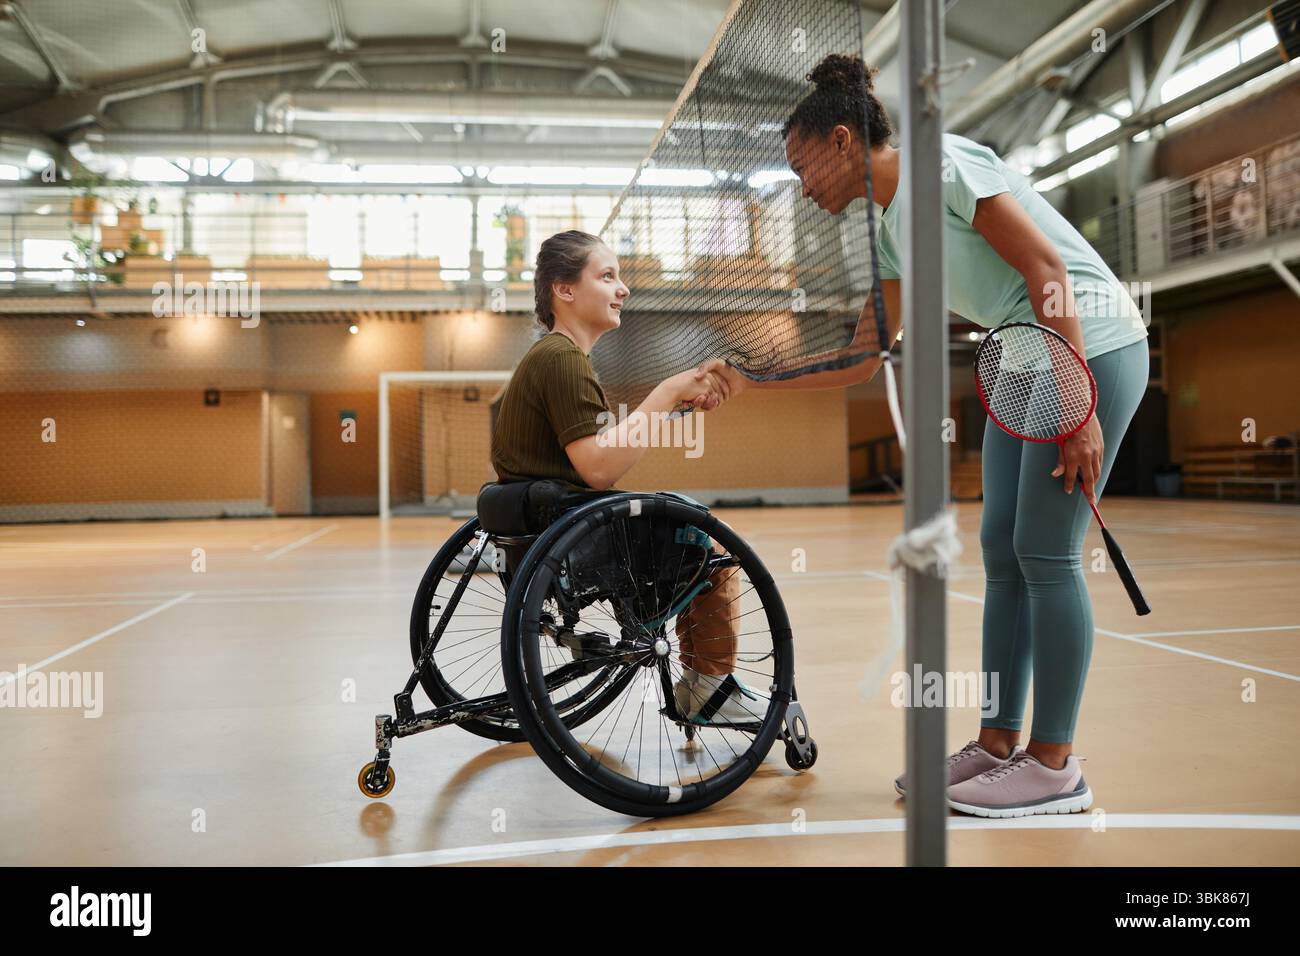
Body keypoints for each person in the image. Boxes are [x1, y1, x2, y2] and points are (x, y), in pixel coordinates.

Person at [703, 54, 1150, 816]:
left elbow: (1047, 268)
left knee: (1044, 553)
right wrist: (756, 378)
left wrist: (1079, 408)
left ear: (841, 140)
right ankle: (998, 743)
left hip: (1086, 342)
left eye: (801, 165)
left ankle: (1056, 765)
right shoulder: (887, 232)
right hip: (1018, 353)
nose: (802, 188)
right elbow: (861, 356)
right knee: (1003, 555)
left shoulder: (941, 166)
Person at [491, 229, 759, 726]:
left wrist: (674, 398)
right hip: (575, 535)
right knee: (710, 547)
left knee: (685, 531)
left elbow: (597, 454)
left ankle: (701, 681)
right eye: (607, 276)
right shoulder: (561, 359)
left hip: (550, 525)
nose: (624, 288)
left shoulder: (556, 358)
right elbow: (598, 468)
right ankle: (709, 687)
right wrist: (665, 392)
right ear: (563, 290)